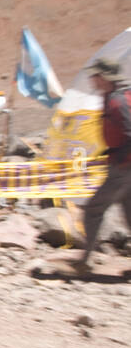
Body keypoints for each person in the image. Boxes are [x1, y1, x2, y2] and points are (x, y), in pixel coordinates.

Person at [76, 58, 131, 271]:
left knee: (93, 210)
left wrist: (118, 159)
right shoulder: (117, 98)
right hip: (124, 165)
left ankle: (85, 261)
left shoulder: (118, 102)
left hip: (123, 169)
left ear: (104, 77)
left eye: (95, 75)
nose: (92, 79)